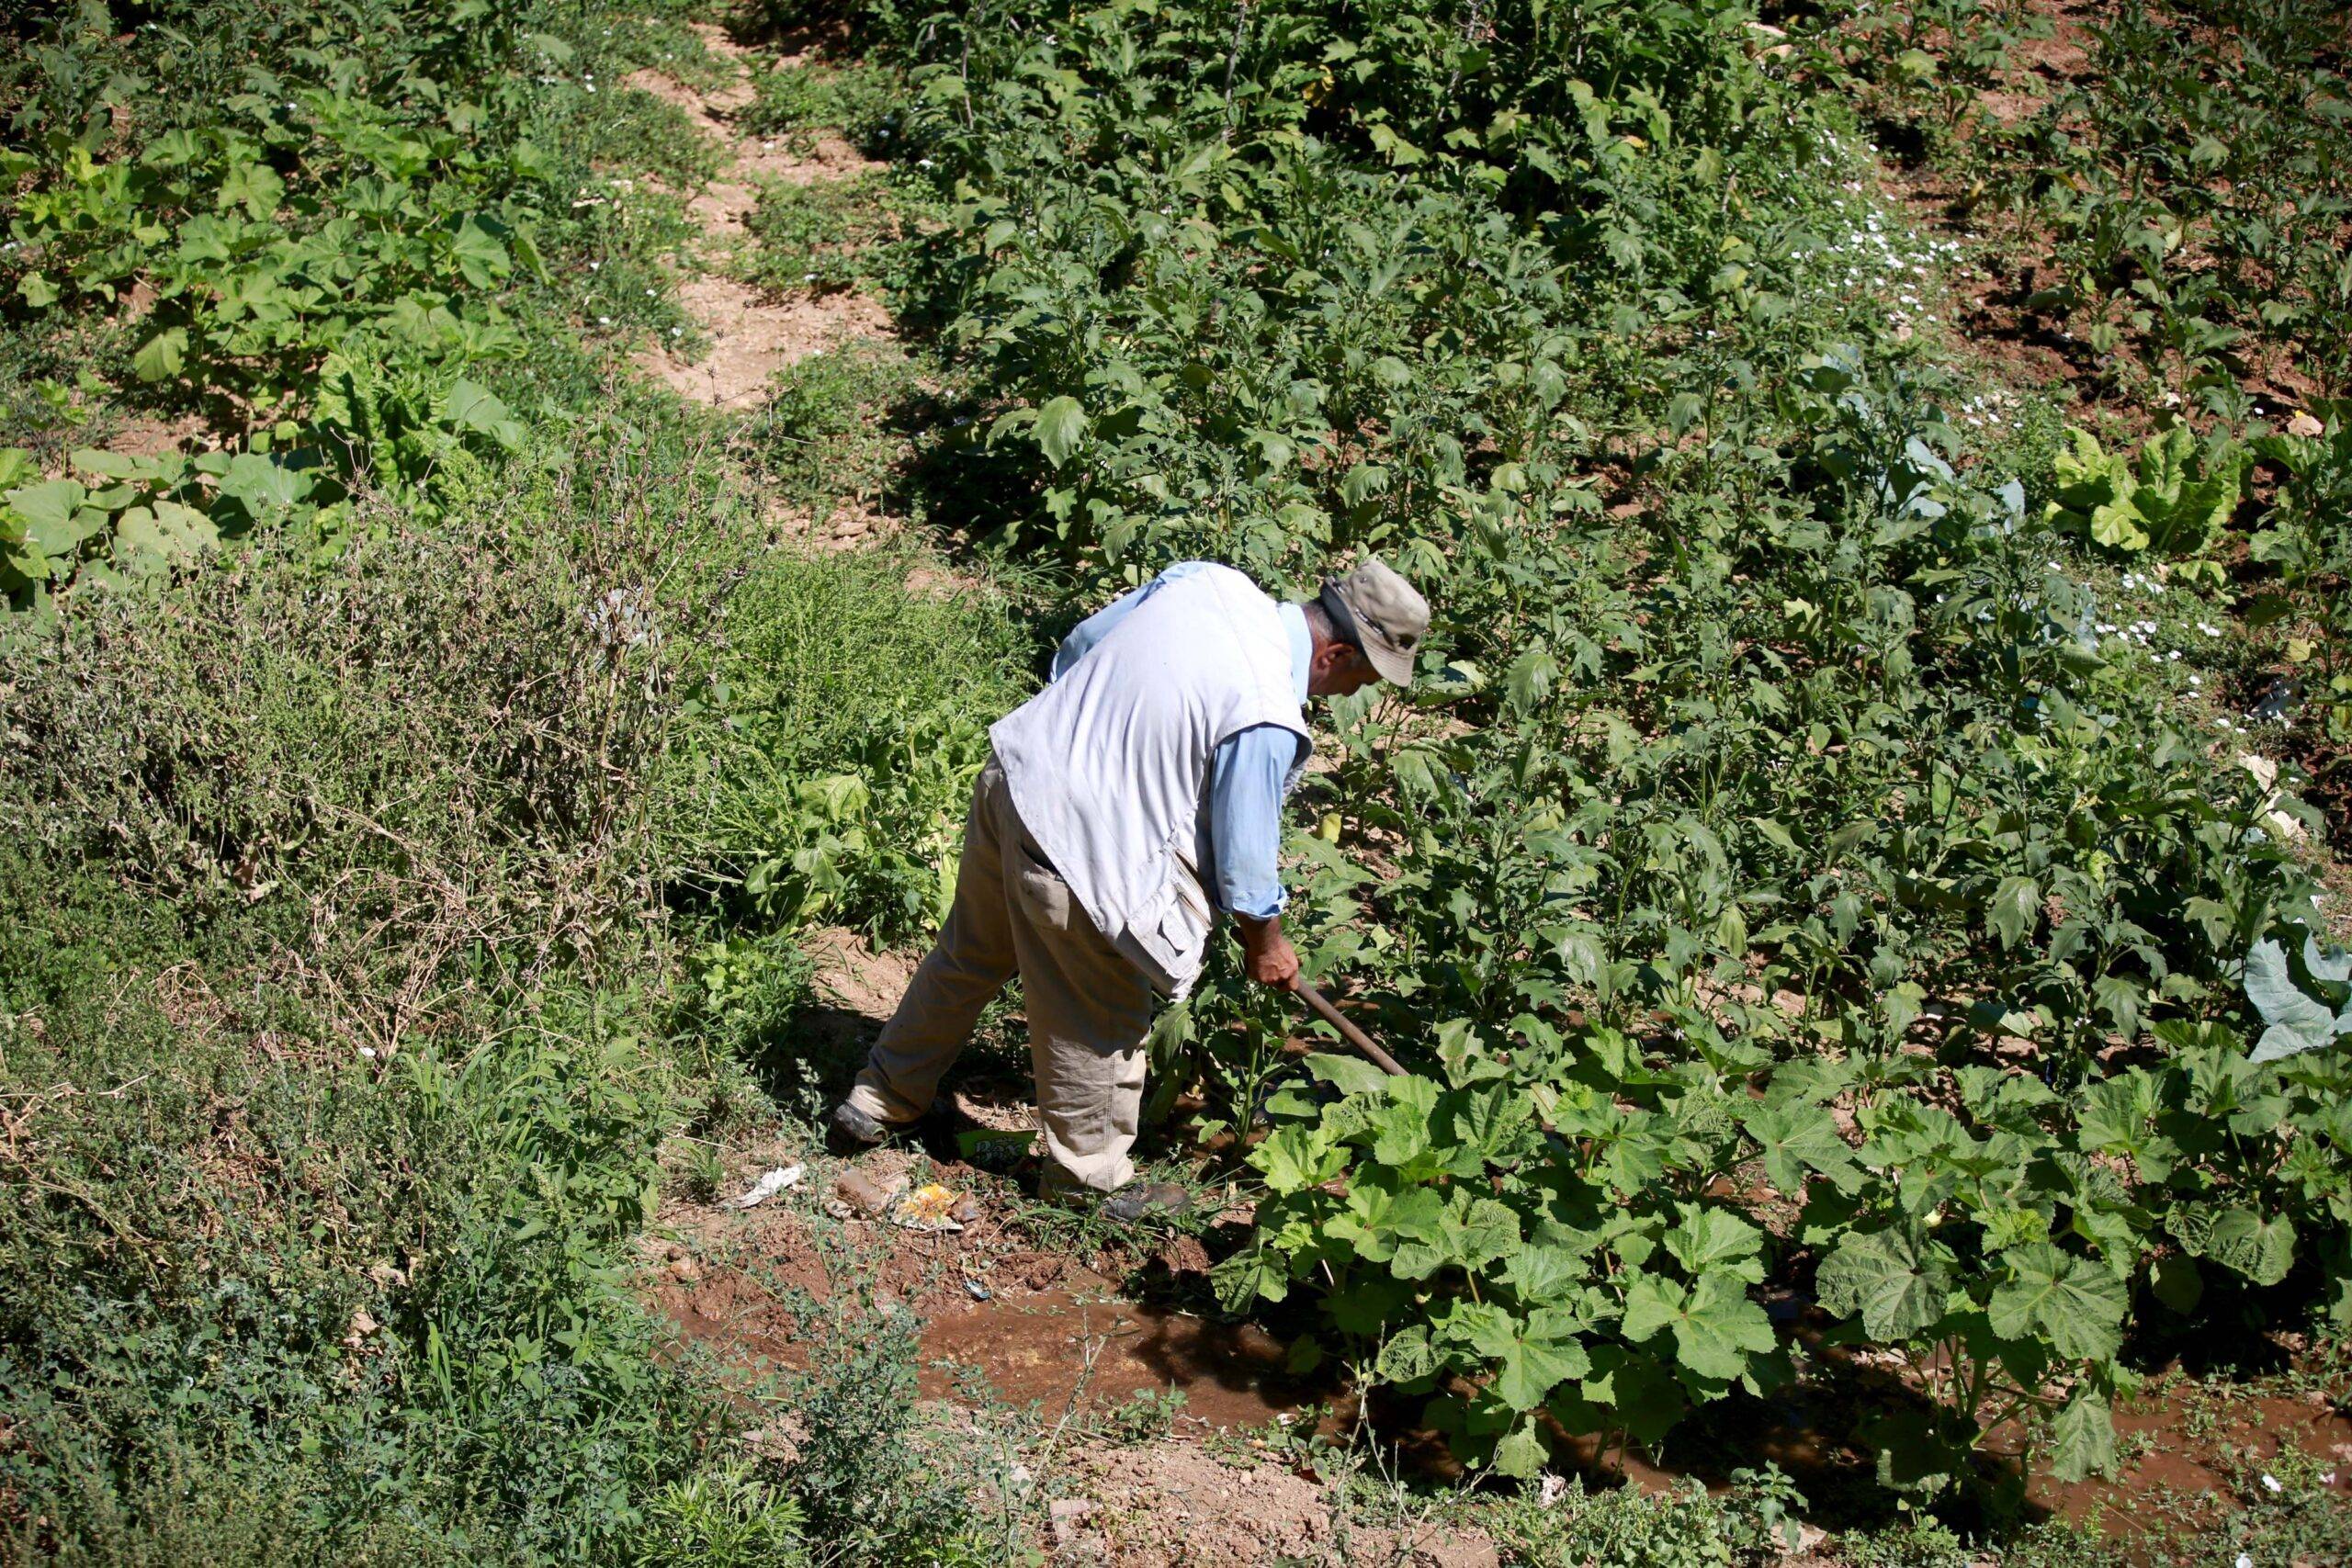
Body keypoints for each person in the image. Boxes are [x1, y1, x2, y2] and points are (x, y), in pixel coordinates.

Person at [828, 556, 1431, 1222]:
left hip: (1017, 775)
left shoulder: (1209, 583)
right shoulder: (1266, 708)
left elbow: (1082, 647)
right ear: (1335, 654)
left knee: (971, 953)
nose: (1350, 695)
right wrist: (1268, 943)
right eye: (1360, 677)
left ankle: (880, 1098)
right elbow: (1246, 860)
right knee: (1101, 1018)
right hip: (1080, 852)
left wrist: (1080, 750)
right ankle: (1088, 1182)